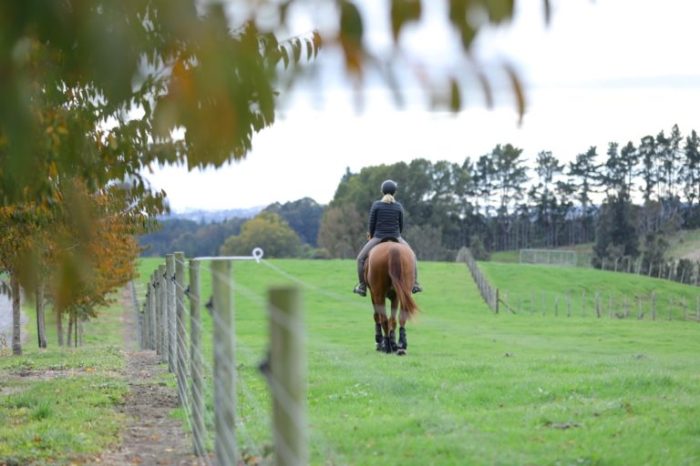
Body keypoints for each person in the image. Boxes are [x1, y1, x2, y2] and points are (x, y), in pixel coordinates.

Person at [353, 179, 422, 297]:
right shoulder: (399, 206)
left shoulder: (376, 205)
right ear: (395, 192)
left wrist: (371, 235)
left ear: (382, 191)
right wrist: (396, 235)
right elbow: (401, 226)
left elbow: (371, 224)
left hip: (378, 237)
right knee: (412, 256)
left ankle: (362, 286)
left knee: (360, 259)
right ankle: (415, 284)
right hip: (396, 236)